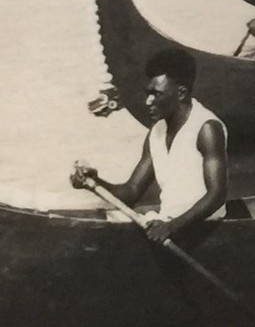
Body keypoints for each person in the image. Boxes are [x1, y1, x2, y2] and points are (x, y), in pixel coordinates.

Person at [73, 49, 228, 243]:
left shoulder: (207, 128)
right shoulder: (156, 132)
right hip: (168, 227)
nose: (148, 101)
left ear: (180, 93)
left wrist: (172, 226)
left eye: (156, 94)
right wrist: (93, 182)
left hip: (203, 228)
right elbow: (132, 192)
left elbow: (217, 195)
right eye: (148, 93)